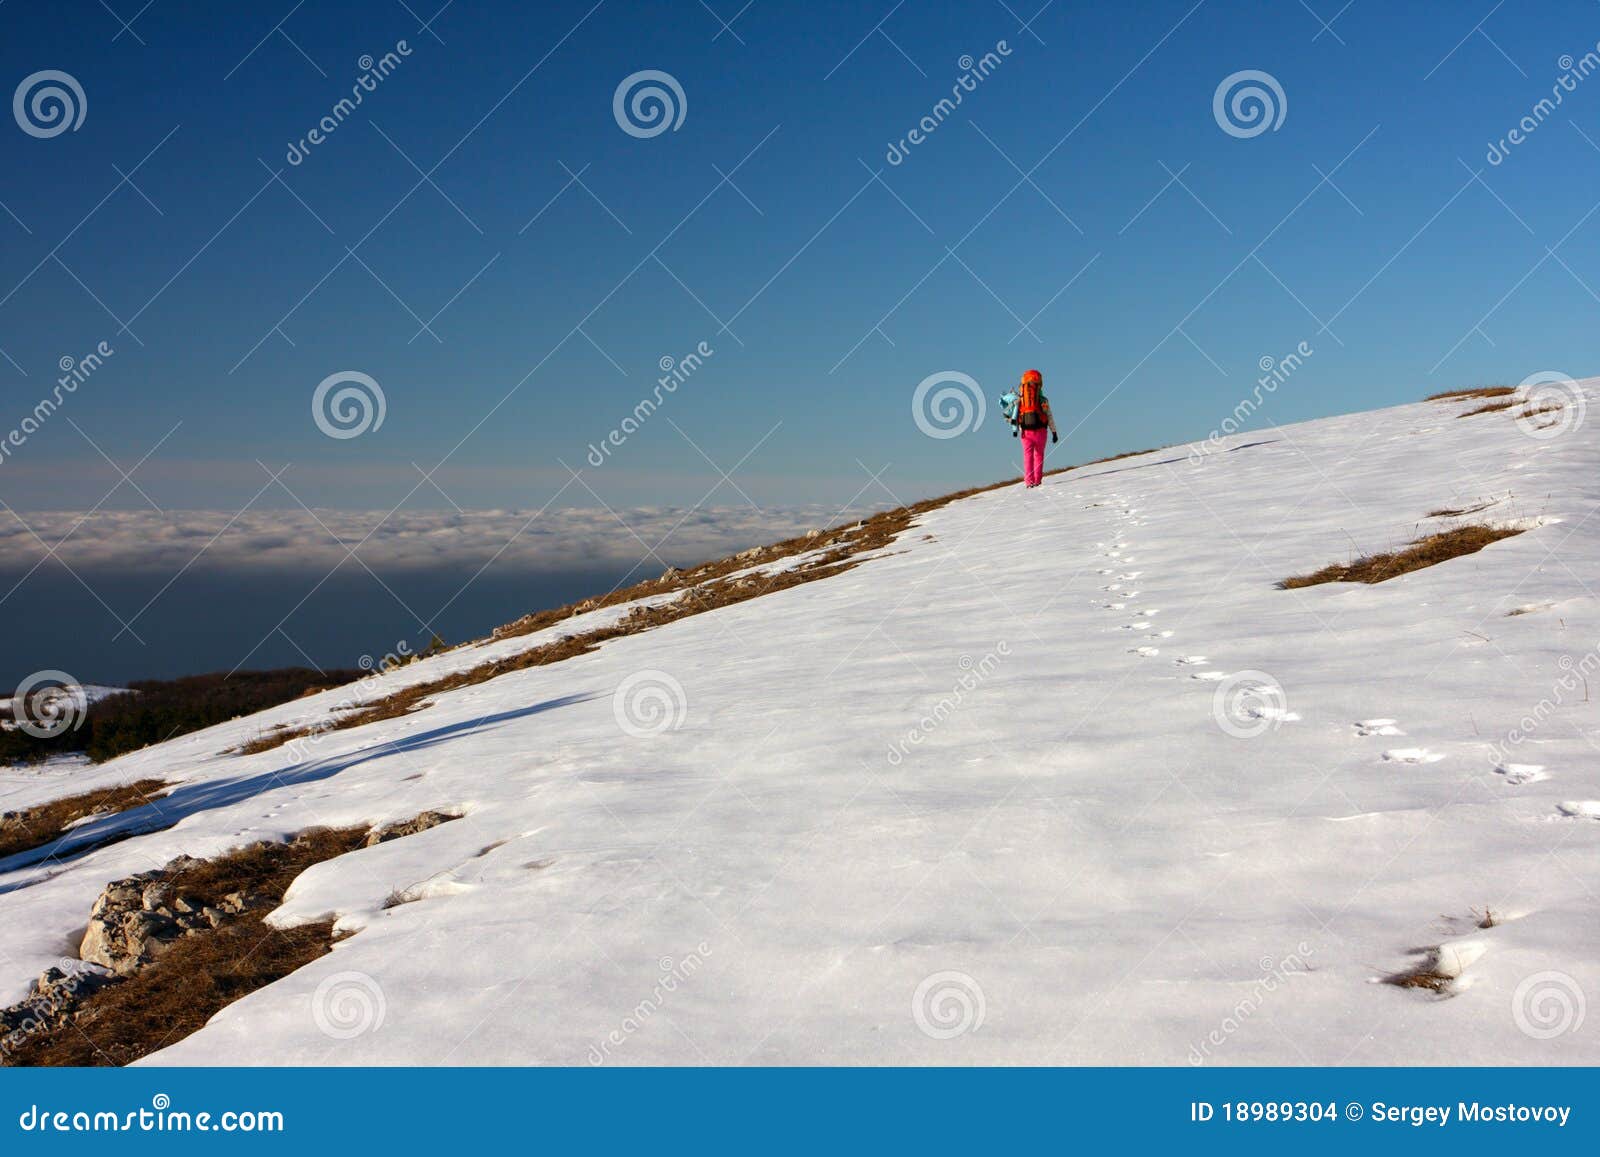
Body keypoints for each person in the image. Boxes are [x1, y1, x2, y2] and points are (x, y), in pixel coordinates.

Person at [1009, 369, 1058, 488]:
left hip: (1026, 432)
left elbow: (1014, 414)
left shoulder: (1020, 400)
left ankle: (1028, 481)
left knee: (1027, 456)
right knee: (1039, 455)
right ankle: (1037, 480)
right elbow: (1049, 416)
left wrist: (1015, 429)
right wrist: (1054, 432)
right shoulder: (1043, 400)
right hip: (1041, 431)